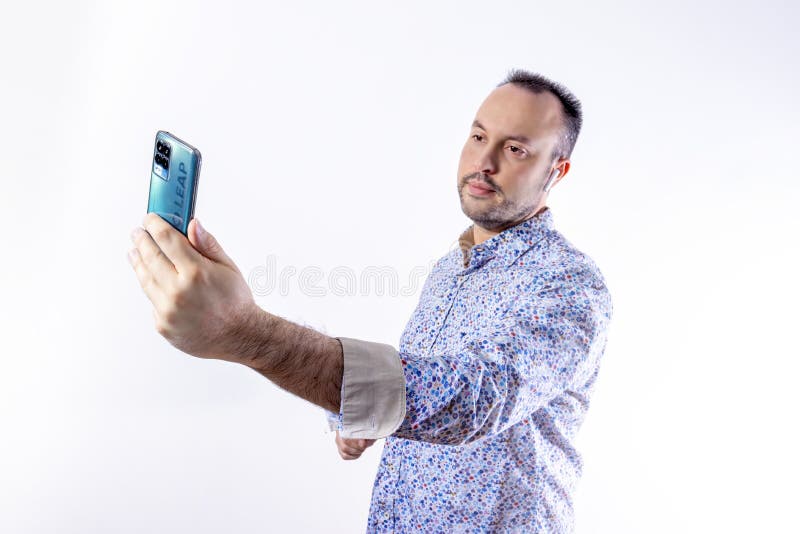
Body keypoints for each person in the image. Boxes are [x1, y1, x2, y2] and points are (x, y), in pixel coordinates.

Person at [127, 68, 613, 533]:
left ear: (557, 171)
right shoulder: (451, 266)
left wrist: (246, 332)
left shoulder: (569, 284)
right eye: (479, 136)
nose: (484, 162)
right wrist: (357, 411)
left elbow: (473, 399)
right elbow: (424, 381)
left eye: (515, 149)